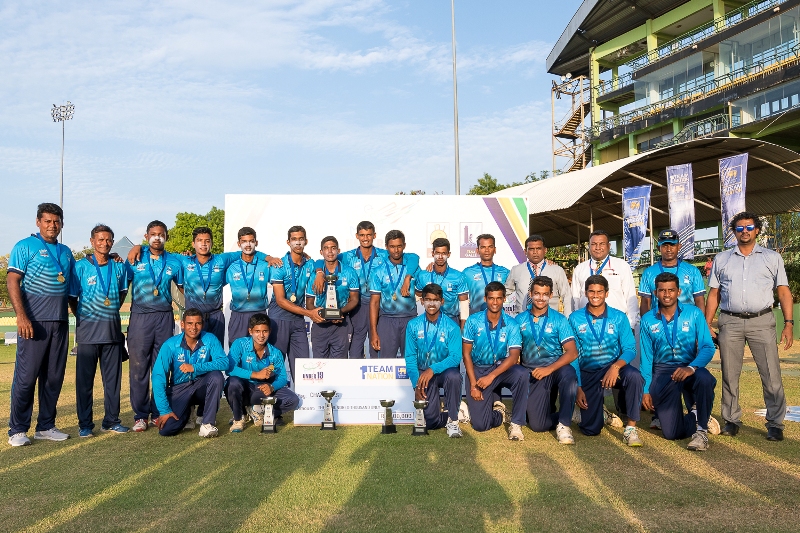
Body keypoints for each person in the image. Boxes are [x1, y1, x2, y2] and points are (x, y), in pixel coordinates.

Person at [706, 211, 794, 441]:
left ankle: (775, 423)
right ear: (734, 232)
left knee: (771, 374)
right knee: (729, 374)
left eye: (749, 227)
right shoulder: (722, 259)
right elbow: (714, 294)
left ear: (757, 230)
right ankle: (731, 420)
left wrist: (789, 323)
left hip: (762, 320)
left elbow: (783, 291)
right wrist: (707, 323)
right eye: (739, 228)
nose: (744, 231)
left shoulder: (772, 258)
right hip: (730, 321)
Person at [7, 203, 76, 446]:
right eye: (47, 221)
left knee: (53, 378)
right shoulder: (25, 246)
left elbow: (72, 291)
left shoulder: (66, 252)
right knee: (26, 378)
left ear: (62, 224)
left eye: (56, 221)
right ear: (38, 222)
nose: (52, 225)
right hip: (33, 322)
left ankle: (45, 426)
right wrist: (21, 316)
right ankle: (17, 429)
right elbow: (12, 280)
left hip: (59, 322)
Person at [310, 221, 415, 358]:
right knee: (355, 348)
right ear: (357, 236)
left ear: (374, 235)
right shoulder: (348, 256)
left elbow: (413, 257)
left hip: (378, 305)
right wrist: (319, 272)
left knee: (376, 345)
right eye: (362, 235)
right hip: (357, 305)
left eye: (369, 235)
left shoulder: (384, 254)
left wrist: (409, 276)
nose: (365, 238)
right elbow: (324, 259)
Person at [640, 273, 719, 451]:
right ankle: (698, 413)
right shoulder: (648, 319)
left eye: (671, 290)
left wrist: (691, 367)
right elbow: (646, 358)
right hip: (663, 371)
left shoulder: (694, 313)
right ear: (655, 293)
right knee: (671, 433)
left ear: (679, 291)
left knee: (705, 378)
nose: (667, 294)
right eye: (662, 290)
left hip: (689, 366)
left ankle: (701, 431)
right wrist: (645, 390)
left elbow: (708, 347)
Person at [69, 224, 132, 437]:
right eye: (100, 239)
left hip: (112, 334)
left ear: (112, 242)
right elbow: (72, 298)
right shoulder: (80, 267)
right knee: (85, 384)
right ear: (92, 241)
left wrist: (110, 311)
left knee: (112, 383)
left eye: (108, 240)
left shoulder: (119, 266)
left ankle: (111, 421)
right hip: (88, 335)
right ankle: (85, 424)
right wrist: (83, 317)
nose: (104, 243)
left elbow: (122, 294)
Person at [569, 275, 644, 446]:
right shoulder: (575, 318)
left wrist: (615, 367)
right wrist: (578, 387)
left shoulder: (619, 317)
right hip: (589, 370)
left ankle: (631, 428)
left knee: (634, 376)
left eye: (600, 292)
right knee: (590, 429)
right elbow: (573, 354)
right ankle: (600, 413)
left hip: (614, 368)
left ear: (607, 293)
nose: (595, 295)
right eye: (592, 291)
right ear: (586, 293)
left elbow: (630, 348)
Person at [126, 220, 184, 432]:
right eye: (153, 234)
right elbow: (123, 287)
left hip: (164, 316)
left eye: (161, 234)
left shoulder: (174, 261)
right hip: (140, 317)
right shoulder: (135, 257)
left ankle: (158, 411)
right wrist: (136, 247)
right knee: (139, 367)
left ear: (166, 237)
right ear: (146, 236)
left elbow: (183, 290)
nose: (157, 237)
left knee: (161, 366)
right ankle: (140, 415)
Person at [515, 276, 579, 444]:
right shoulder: (519, 320)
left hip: (555, 370)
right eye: (537, 293)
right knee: (538, 425)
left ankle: (564, 425)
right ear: (530, 294)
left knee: (569, 373)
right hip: (533, 373)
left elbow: (572, 352)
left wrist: (549, 369)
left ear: (551, 295)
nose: (540, 298)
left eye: (545, 294)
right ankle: (568, 412)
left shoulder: (559, 319)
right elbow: (514, 351)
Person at [462, 282, 528, 441]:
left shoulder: (511, 323)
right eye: (491, 298)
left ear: (504, 299)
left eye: (499, 298)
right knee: (480, 425)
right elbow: (466, 354)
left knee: (522, 374)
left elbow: (514, 356)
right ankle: (499, 412)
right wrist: (473, 385)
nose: (495, 302)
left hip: (499, 369)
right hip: (479, 370)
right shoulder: (473, 321)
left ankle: (516, 423)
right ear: (485, 299)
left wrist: (491, 376)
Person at [151, 309, 229, 437]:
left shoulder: (210, 339)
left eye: (198, 323)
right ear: (182, 324)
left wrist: (195, 367)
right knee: (167, 429)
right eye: (190, 323)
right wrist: (164, 410)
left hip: (201, 385)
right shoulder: (170, 344)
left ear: (202, 325)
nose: (194, 327)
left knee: (216, 377)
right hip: (179, 388)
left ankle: (207, 424)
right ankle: (188, 412)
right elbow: (158, 377)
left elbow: (224, 362)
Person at [404, 284, 463, 437]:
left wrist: (433, 369)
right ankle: (453, 412)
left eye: (435, 300)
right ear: (422, 301)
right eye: (428, 300)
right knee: (430, 422)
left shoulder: (452, 327)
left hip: (444, 372)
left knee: (454, 376)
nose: (431, 304)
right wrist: (416, 384)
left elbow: (455, 358)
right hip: (424, 374)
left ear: (442, 301)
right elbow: (410, 357)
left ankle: (453, 420)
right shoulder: (413, 325)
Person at [225, 314, 299, 432]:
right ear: (250, 331)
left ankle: (258, 411)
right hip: (244, 389)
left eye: (265, 331)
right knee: (232, 382)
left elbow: (282, 377)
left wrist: (272, 386)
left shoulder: (275, 352)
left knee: (293, 399)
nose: (261, 335)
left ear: (270, 331)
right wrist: (255, 374)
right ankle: (239, 418)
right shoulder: (239, 344)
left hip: (261, 390)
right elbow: (229, 369)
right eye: (257, 331)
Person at [269, 226, 324, 382]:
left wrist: (319, 272)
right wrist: (309, 313)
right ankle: (272, 397)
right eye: (294, 239)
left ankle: (302, 397)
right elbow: (280, 300)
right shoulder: (279, 265)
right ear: (288, 242)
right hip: (278, 319)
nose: (298, 242)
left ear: (306, 241)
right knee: (275, 366)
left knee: (303, 365)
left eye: (301, 239)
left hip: (298, 320)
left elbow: (320, 261)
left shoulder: (309, 264)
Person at [570, 230, 638, 330]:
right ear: (589, 246)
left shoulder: (622, 266)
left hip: (616, 323)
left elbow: (630, 296)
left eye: (602, 244)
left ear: (609, 246)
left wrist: (631, 324)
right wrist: (576, 323)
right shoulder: (580, 269)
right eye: (594, 244)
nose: (598, 248)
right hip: (587, 324)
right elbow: (575, 298)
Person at [305, 236, 360, 359]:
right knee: (320, 366)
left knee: (339, 365)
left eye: (333, 248)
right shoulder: (314, 275)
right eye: (326, 248)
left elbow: (354, 299)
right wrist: (320, 314)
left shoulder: (349, 272)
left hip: (341, 324)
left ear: (338, 251)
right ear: (321, 252)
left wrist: (339, 313)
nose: (330, 251)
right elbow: (309, 303)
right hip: (320, 325)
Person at [369, 230, 421, 358]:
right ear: (386, 247)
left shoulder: (413, 268)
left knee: (411, 362)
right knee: (385, 363)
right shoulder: (378, 271)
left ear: (404, 246)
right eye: (392, 246)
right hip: (387, 320)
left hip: (410, 319)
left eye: (399, 246)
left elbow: (423, 290)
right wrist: (374, 332)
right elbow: (374, 302)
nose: (396, 250)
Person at [638, 229, 706, 315]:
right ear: (658, 248)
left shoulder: (693, 271)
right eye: (664, 246)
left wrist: (701, 321)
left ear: (679, 247)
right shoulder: (648, 273)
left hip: (687, 321)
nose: (668, 249)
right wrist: (646, 321)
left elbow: (699, 300)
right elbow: (645, 302)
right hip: (659, 321)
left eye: (672, 245)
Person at [226, 227, 272, 347]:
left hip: (260, 314)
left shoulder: (265, 265)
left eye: (251, 241)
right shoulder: (231, 267)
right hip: (238, 315)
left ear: (256, 243)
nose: (248, 245)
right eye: (244, 241)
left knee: (260, 351)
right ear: (239, 244)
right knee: (236, 351)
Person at [506, 235, 571, 316]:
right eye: (531, 249)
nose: (535, 252)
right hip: (523, 319)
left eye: (538, 249)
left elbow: (567, 296)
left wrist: (568, 318)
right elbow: (505, 293)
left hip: (550, 320)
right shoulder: (516, 270)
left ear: (545, 250)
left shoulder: (557, 270)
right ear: (525, 251)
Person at [414, 238, 468, 325]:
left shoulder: (458, 276)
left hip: (452, 320)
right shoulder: (423, 275)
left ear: (449, 254)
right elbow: (417, 296)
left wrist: (463, 327)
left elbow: (464, 303)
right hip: (430, 320)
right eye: (437, 253)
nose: (440, 257)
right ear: (432, 253)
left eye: (443, 253)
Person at [462, 234, 510, 315]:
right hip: (476, 319)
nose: (487, 250)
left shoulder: (505, 272)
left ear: (495, 250)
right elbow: (461, 298)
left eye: (490, 247)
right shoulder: (467, 272)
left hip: (499, 318)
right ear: (477, 250)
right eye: (483, 247)